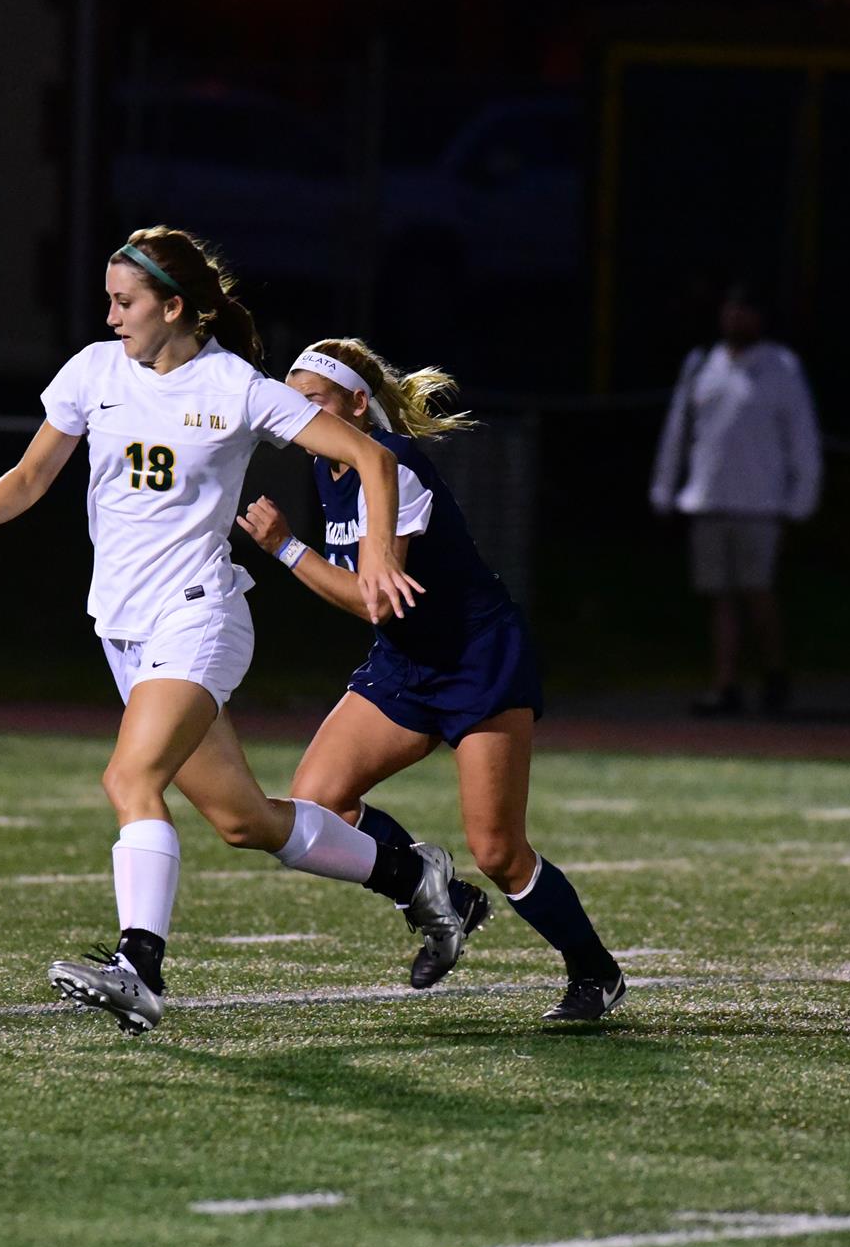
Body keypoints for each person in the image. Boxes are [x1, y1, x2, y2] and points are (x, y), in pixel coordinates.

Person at [0, 227, 469, 1036]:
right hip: (123, 631)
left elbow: (375, 460)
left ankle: (138, 966)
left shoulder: (237, 386)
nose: (111, 315)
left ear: (175, 307)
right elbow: (34, 473)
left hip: (197, 615)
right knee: (244, 819)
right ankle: (418, 879)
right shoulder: (93, 371)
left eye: (126, 302)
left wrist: (383, 557)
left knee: (128, 780)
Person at [236, 338, 627, 1022]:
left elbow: (371, 598)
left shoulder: (395, 467)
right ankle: (434, 890)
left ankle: (595, 971)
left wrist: (284, 548)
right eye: (293, 406)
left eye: (315, 403)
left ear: (359, 404)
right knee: (318, 802)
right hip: (406, 661)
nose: (303, 419)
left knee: (500, 849)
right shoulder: (330, 468)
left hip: (475, 656)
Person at [648, 283, 822, 716]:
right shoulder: (702, 364)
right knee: (719, 597)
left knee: (757, 593)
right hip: (709, 499)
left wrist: (802, 495)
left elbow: (802, 437)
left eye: (744, 311)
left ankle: (773, 673)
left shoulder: (781, 367)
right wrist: (665, 486)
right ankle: (725, 685)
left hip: (760, 503)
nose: (735, 319)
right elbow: (679, 430)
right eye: (730, 310)